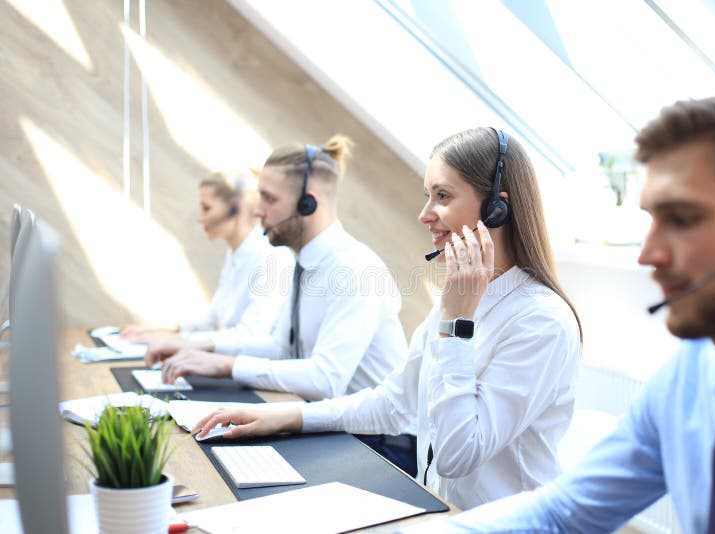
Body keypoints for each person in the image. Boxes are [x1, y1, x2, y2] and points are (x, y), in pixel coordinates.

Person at [421, 95, 715, 532]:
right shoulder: (686, 379)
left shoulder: (541, 319)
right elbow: (564, 511)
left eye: (683, 219)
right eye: (652, 220)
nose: (649, 255)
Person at [194, 127, 583, 510]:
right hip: (445, 514)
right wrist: (283, 416)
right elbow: (393, 402)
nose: (424, 215)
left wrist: (456, 326)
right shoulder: (461, 300)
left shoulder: (540, 321)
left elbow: (457, 455)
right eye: (427, 196)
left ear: (497, 209)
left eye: (442, 196)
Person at [144, 135, 414, 472]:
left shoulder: (355, 269)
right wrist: (208, 355)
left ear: (308, 204)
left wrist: (228, 366)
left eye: (268, 199)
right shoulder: (301, 261)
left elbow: (325, 378)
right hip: (334, 428)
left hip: (382, 446)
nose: (257, 211)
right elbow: (281, 346)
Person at [121, 169, 293, 341]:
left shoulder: (273, 258)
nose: (200, 217)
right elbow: (215, 315)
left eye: (206, 208)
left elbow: (252, 334)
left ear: (237, 207)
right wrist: (166, 331)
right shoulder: (236, 253)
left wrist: (175, 340)